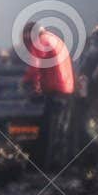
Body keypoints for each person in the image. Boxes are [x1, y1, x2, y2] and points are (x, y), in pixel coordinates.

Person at [22, 19, 78, 171]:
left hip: (55, 92)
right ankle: (60, 167)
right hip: (66, 91)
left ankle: (42, 168)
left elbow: (34, 69)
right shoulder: (55, 39)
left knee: (47, 131)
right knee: (60, 131)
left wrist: (27, 85)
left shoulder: (41, 42)